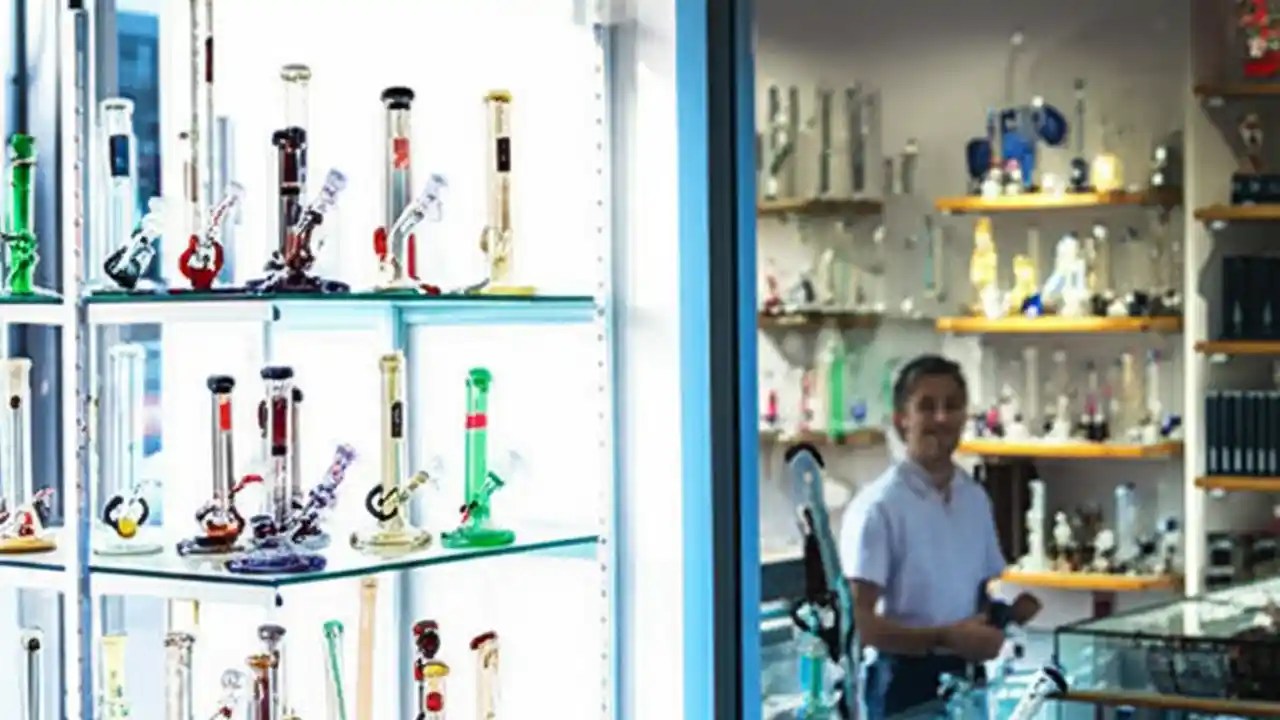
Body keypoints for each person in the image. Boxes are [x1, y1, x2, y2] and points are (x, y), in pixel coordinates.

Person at [839, 354, 1042, 717]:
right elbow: (858, 623)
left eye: (952, 406)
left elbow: (975, 597)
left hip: (967, 679)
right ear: (902, 420)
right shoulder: (879, 507)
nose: (941, 418)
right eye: (927, 407)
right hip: (901, 684)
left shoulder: (974, 498)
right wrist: (942, 638)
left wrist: (1006, 616)